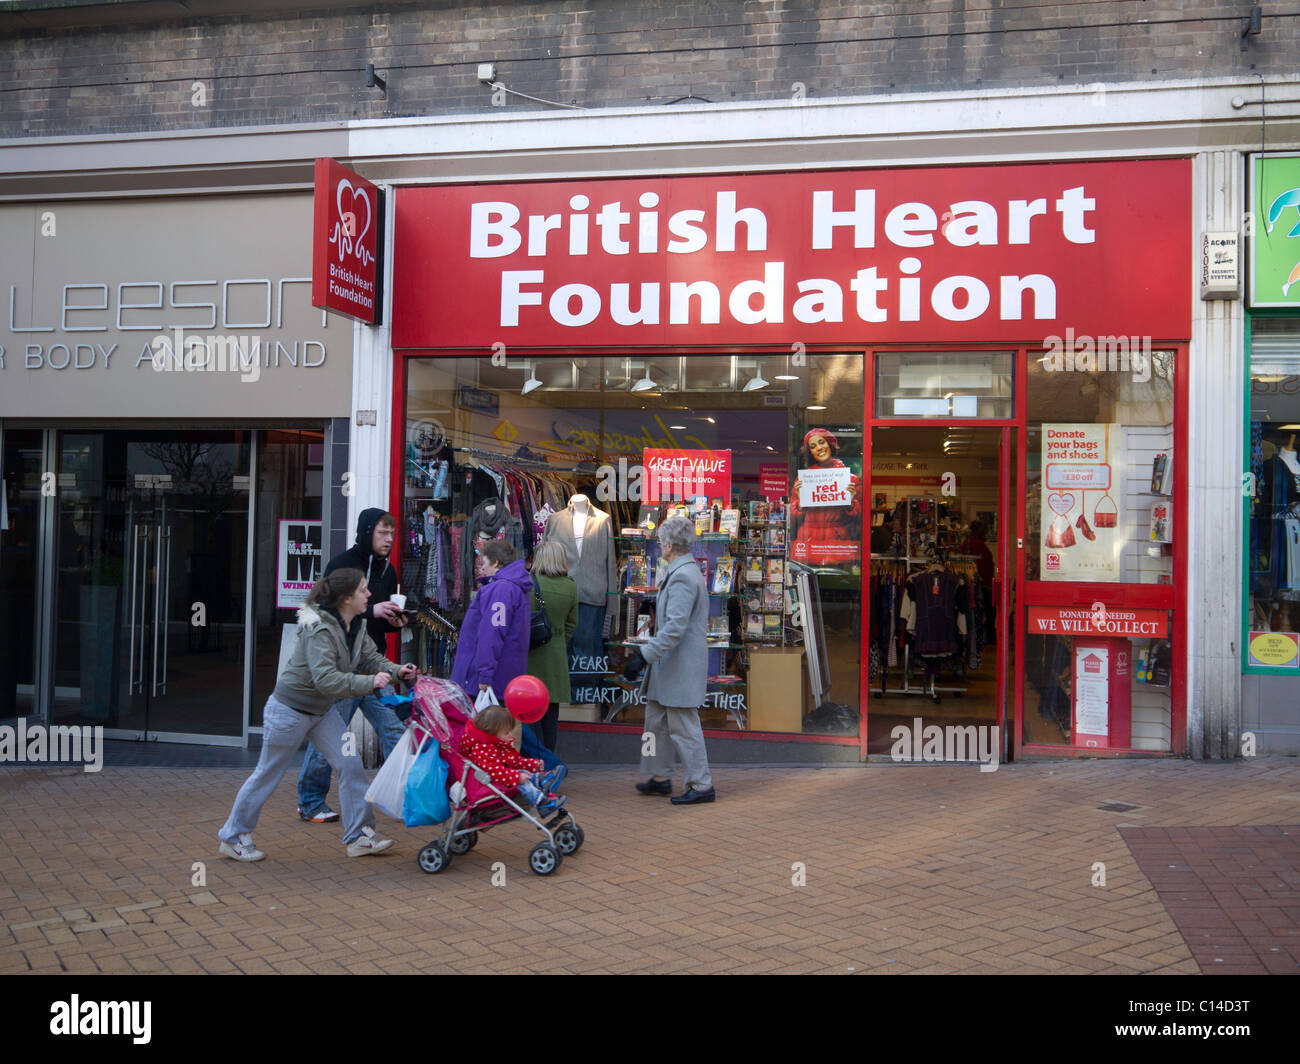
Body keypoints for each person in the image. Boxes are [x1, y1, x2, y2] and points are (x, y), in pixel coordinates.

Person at [218, 568, 417, 861]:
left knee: (350, 764)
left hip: (321, 711)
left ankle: (359, 836)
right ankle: (232, 837)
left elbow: (369, 657)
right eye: (363, 590)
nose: (370, 594)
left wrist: (395, 670)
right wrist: (369, 682)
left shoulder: (356, 625)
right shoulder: (319, 629)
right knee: (267, 774)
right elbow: (326, 679)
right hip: (289, 711)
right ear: (346, 597)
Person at [297, 508, 409, 823]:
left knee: (394, 730)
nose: (389, 540)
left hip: (372, 664)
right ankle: (309, 801)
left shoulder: (389, 571)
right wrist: (373, 611)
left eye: (392, 533)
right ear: (367, 532)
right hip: (344, 666)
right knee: (330, 737)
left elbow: (379, 623)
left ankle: (402, 794)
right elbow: (325, 609)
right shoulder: (342, 565)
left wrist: (395, 622)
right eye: (382, 533)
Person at [622, 515, 715, 804]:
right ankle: (659, 776)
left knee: (684, 727)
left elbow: (676, 627)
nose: (659, 545)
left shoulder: (683, 575)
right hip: (669, 666)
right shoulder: (682, 571)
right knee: (655, 724)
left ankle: (701, 785)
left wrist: (644, 655)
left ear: (670, 545)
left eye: (661, 541)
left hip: (678, 666)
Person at [450, 540, 532, 702]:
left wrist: (485, 675)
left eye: (484, 562)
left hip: (486, 682)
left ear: (495, 563)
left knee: (483, 725)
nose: (481, 568)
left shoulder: (500, 589)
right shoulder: (514, 587)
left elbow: (492, 634)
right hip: (505, 677)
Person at [457, 704, 566, 813]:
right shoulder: (482, 749)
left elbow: (512, 761)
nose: (510, 735)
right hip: (488, 784)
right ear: (491, 732)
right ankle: (542, 803)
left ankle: (540, 780)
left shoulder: (494, 744)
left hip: (497, 778)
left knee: (520, 773)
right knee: (522, 783)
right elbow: (495, 771)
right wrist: (517, 777)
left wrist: (532, 764)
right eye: (506, 732)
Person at [525, 539, 579, 753]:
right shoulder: (570, 586)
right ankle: (549, 761)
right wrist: (557, 641)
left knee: (527, 710)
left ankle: (530, 760)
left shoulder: (529, 583)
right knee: (550, 713)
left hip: (530, 654)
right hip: (555, 655)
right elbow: (572, 624)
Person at [789, 428, 862, 566]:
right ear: (810, 452)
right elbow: (793, 520)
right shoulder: (803, 480)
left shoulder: (850, 480)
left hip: (837, 550)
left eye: (821, 442)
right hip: (808, 548)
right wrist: (800, 504)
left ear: (830, 444)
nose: (818, 448)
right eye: (813, 446)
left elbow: (859, 521)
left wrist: (851, 504)